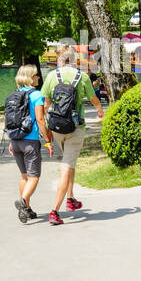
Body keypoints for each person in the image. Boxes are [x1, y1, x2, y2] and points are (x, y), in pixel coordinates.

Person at [42, 52, 104, 225]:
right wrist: (100, 110)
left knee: (70, 163)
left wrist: (47, 127)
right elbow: (93, 98)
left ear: (60, 61)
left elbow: (45, 104)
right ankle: (54, 211)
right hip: (76, 127)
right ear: (75, 62)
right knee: (67, 167)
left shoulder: (52, 76)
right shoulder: (82, 76)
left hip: (57, 128)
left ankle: (71, 198)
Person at [5, 65, 49, 223]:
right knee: (34, 177)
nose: (39, 77)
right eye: (36, 75)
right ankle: (23, 202)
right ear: (31, 77)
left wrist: (12, 140)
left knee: (24, 176)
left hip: (15, 140)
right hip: (30, 141)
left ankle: (27, 210)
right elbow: (40, 119)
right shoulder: (37, 95)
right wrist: (48, 141)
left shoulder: (15, 94)